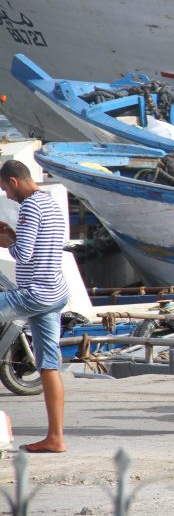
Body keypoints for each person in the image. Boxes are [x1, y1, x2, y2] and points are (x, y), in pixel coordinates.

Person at [0, 160, 69, 453]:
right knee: (48, 366)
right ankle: (56, 438)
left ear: (14, 182)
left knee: (49, 365)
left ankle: (55, 438)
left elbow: (24, 255)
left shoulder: (29, 207)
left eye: (6, 190)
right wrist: (13, 236)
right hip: (55, 291)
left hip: (35, 293)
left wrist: (4, 240)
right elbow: (38, 246)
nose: (7, 196)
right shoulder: (50, 203)